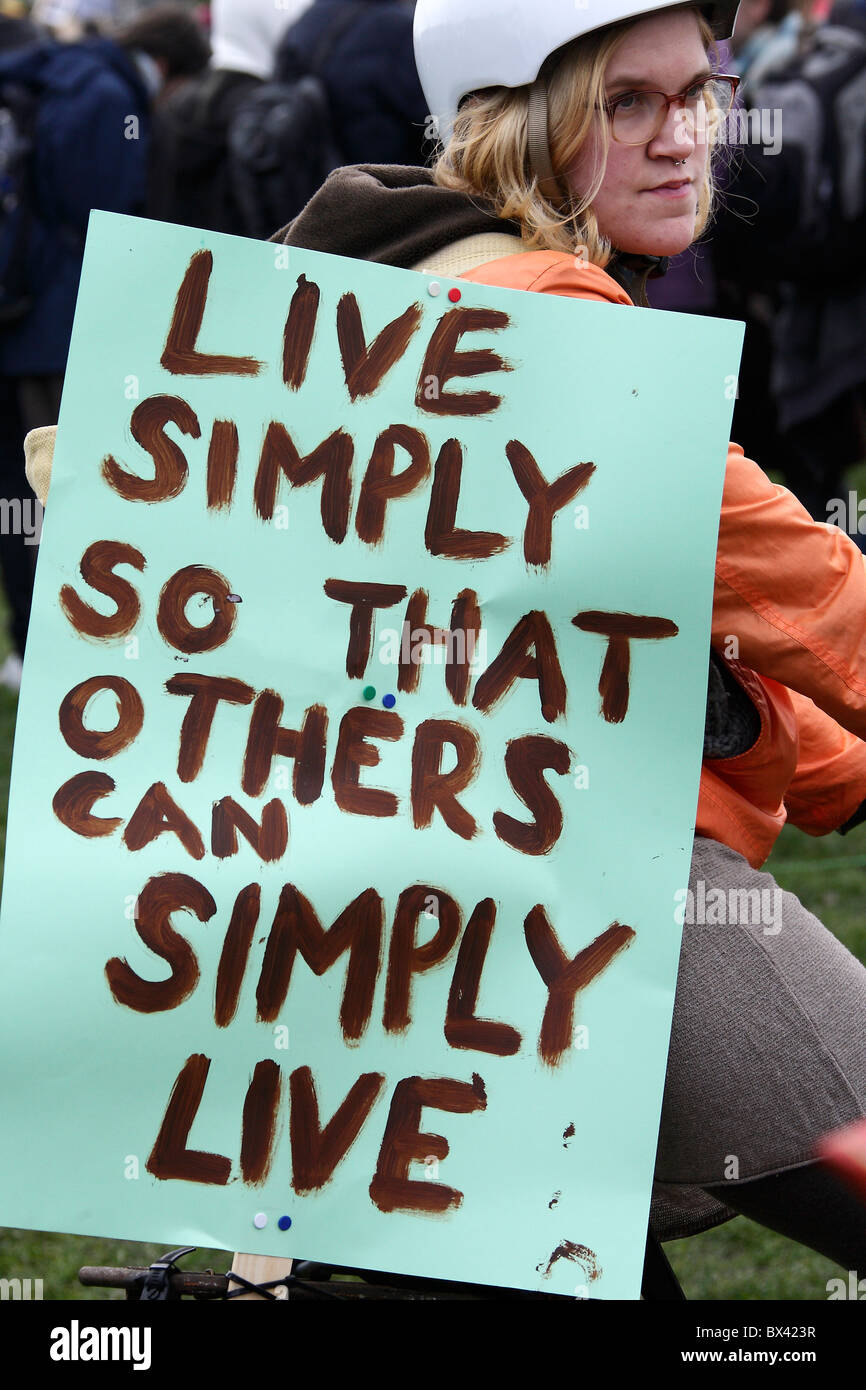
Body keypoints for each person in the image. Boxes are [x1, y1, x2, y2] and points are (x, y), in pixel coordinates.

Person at [263, 0, 866, 1272]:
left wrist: (833, 774)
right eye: (625, 104)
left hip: (369, 935)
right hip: (583, 899)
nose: (683, 137)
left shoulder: (390, 285)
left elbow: (634, 647)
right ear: (510, 123)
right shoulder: (550, 315)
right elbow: (803, 593)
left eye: (694, 93)